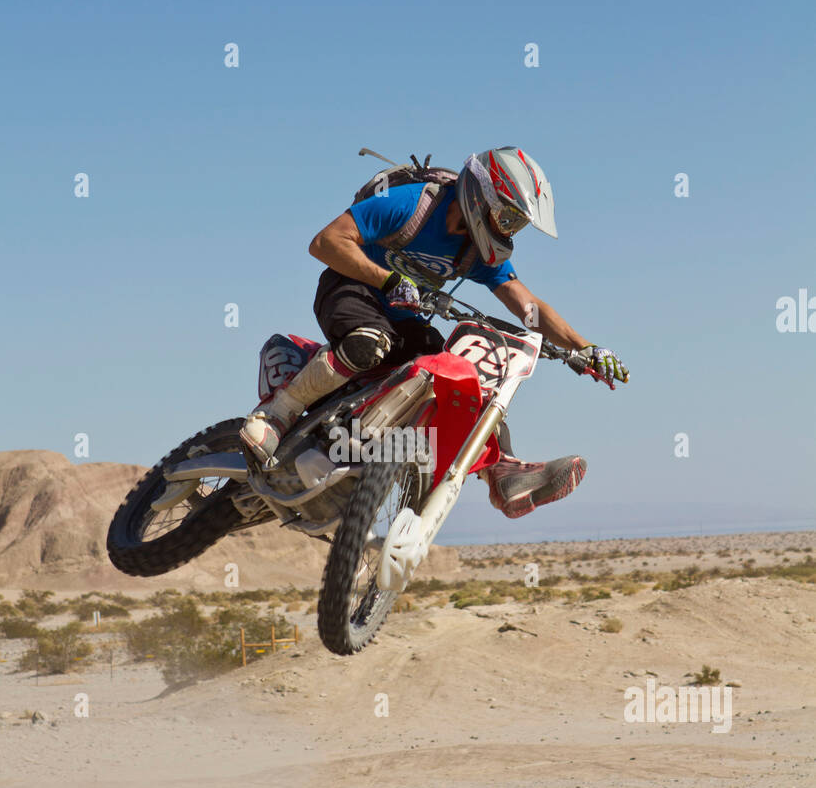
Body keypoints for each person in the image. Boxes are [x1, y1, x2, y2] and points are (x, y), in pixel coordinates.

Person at [241, 148, 628, 518]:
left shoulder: (474, 251)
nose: (511, 233)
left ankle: (502, 471)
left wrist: (586, 348)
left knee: (459, 373)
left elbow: (525, 302)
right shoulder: (411, 206)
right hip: (350, 288)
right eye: (509, 220)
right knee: (368, 342)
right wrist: (388, 279)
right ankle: (278, 413)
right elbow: (326, 242)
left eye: (518, 225)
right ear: (482, 199)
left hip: (402, 318)